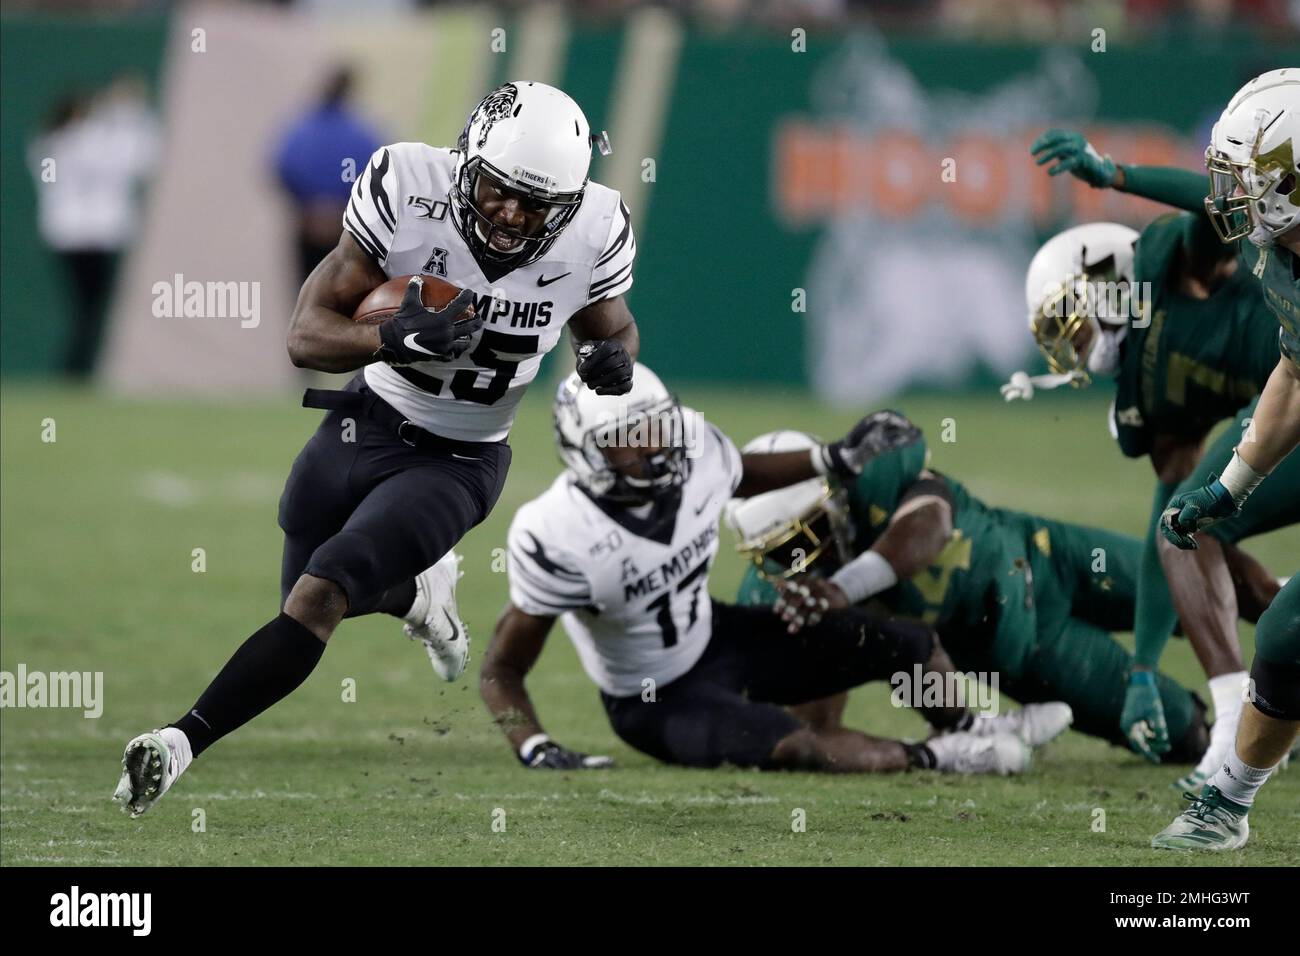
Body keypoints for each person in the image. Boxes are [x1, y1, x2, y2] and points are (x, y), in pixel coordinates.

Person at [114, 81, 641, 817]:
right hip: (363, 420)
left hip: (459, 458)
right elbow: (306, 334)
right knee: (298, 595)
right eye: (499, 191)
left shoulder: (593, 226)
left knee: (320, 595)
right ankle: (422, 595)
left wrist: (612, 361)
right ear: (467, 162)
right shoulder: (407, 184)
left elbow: (611, 328)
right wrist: (388, 337)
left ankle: (177, 744)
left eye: (536, 204)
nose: (513, 215)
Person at [481, 365, 1068, 776]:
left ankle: (972, 726)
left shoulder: (696, 459)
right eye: (629, 440)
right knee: (798, 749)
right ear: (584, 450)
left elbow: (739, 471)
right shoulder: (557, 533)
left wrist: (833, 457)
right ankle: (944, 757)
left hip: (718, 637)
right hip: (651, 699)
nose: (653, 446)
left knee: (906, 643)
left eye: (656, 426)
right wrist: (532, 743)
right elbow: (503, 667)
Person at [1002, 216, 1294, 789]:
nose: (1072, 344)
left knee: (1196, 522)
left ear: (1110, 284)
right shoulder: (1148, 377)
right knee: (1188, 526)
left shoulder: (1182, 274)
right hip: (1282, 415)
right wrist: (1141, 667)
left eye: (1071, 320)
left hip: (1293, 401)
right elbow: (1169, 518)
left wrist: (1115, 172)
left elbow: (1211, 208)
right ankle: (1257, 707)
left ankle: (1238, 719)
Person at [730, 426, 1217, 763]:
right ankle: (1263, 726)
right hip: (1027, 647)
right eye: (778, 548)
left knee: (1205, 576)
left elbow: (930, 521)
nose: (796, 554)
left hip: (1044, 553)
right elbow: (817, 721)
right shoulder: (785, 591)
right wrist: (821, 632)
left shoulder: (878, 477)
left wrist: (847, 587)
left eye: (802, 535)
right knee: (1185, 730)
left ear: (833, 497)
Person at [1152, 69, 1300, 850]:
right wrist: (1231, 485)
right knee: (1287, 636)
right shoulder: (1281, 253)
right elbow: (1298, 374)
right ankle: (1227, 808)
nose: (1230, 196)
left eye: (1248, 179)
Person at [273, 66, 384, 283]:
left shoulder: (301, 129)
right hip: (345, 228)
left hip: (309, 225)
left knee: (305, 294)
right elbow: (380, 173)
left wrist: (307, 205)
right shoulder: (363, 133)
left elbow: (282, 167)